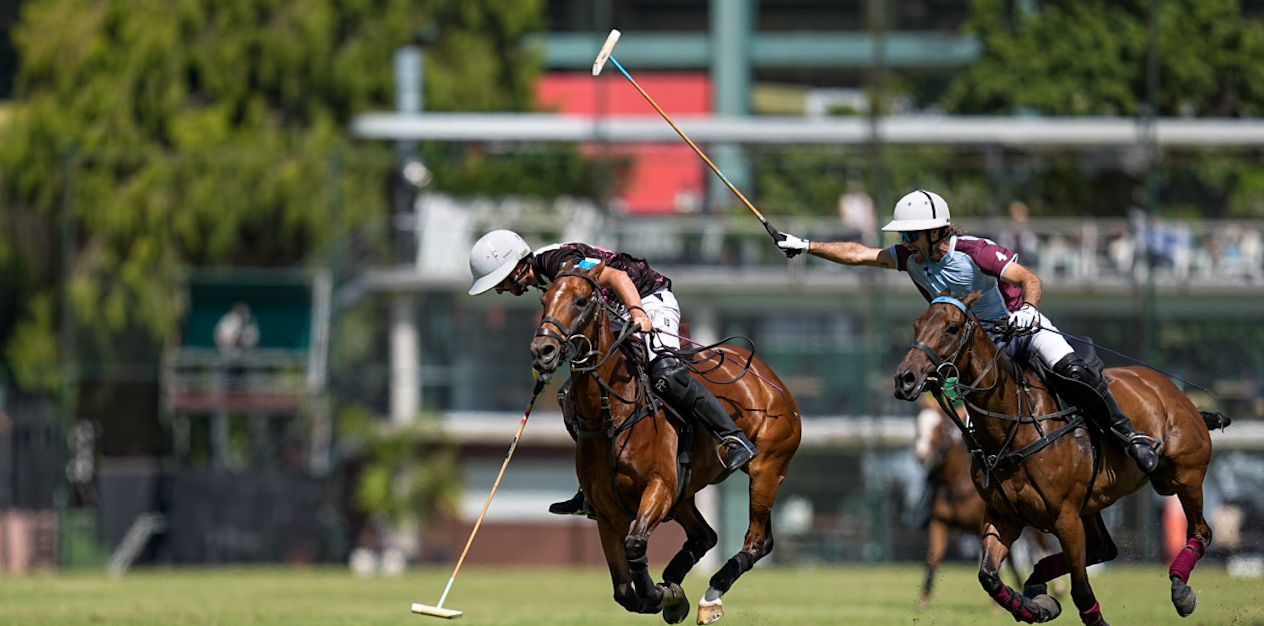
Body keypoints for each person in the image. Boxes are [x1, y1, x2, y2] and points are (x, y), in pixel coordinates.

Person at [770, 189, 1159, 473]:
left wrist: (1027, 309)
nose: (904, 243)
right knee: (948, 397)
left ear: (936, 232)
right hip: (973, 346)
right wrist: (805, 246)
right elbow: (860, 254)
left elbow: (1029, 278)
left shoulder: (975, 251)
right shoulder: (910, 258)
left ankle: (1130, 438)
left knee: (1074, 370)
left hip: (1018, 327)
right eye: (903, 237)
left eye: (910, 235)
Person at [467, 229, 758, 515]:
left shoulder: (558, 262)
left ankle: (732, 438)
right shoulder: (545, 284)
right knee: (572, 396)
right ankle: (589, 488)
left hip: (646, 298)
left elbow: (617, 277)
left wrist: (638, 312)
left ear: (515, 267)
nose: (501, 289)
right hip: (614, 315)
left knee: (665, 372)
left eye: (499, 282)